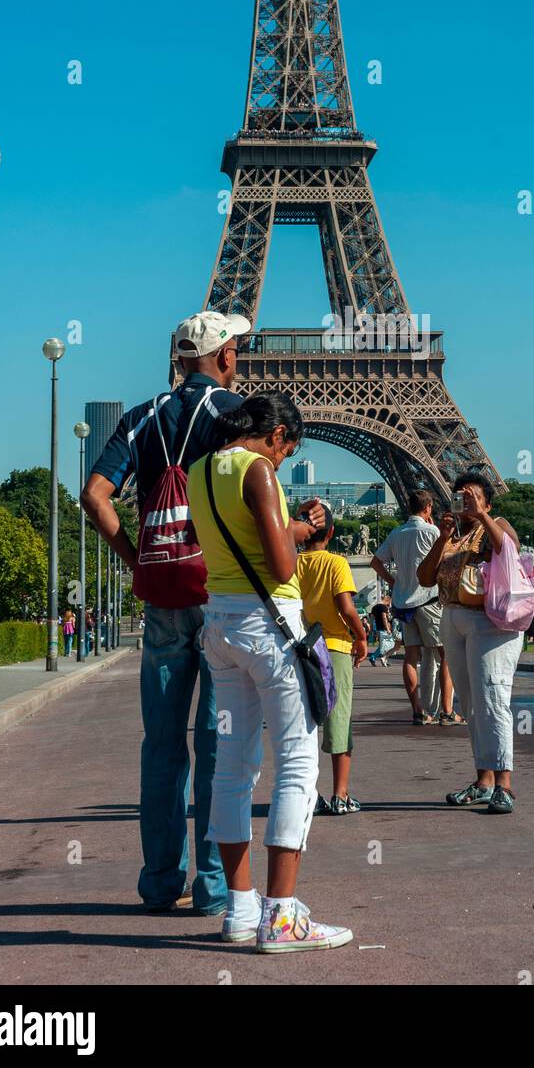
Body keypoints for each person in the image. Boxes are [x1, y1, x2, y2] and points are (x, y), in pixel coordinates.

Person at [81, 310, 252, 917]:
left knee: (161, 743)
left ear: (179, 359)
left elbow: (93, 495)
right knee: (217, 743)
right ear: (226, 357)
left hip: (161, 595)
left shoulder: (141, 416)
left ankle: (158, 881)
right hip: (219, 594)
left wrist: (133, 560)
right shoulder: (236, 416)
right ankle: (212, 887)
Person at [187, 393, 353, 953]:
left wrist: (284, 526)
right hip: (269, 629)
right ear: (277, 435)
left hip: (220, 626)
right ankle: (281, 914)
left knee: (231, 766)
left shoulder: (199, 470)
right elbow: (282, 564)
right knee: (298, 763)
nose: (284, 461)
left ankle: (240, 906)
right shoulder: (259, 469)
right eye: (289, 450)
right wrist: (298, 531)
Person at [417, 471, 523, 816]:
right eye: (462, 496)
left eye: (472, 496)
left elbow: (508, 549)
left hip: (489, 623)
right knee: (471, 705)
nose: (465, 501)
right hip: (453, 619)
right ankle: (483, 781)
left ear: (488, 502)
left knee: (492, 699)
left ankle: (504, 784)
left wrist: (483, 515)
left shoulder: (498, 524)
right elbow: (424, 577)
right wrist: (442, 537)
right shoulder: (453, 539)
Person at [297, 503, 368, 816]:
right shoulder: (336, 563)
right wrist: (362, 637)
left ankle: (307, 794)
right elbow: (346, 607)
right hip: (335, 647)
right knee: (339, 721)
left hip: (302, 647)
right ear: (332, 533)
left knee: (306, 721)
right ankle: (340, 794)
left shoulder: (292, 563)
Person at [370, 489, 459, 726]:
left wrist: (394, 582)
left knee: (410, 656)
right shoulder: (432, 532)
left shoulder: (397, 533)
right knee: (446, 654)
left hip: (403, 603)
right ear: (428, 507)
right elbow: (450, 557)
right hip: (428, 600)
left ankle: (418, 711)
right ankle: (447, 711)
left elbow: (375, 562)